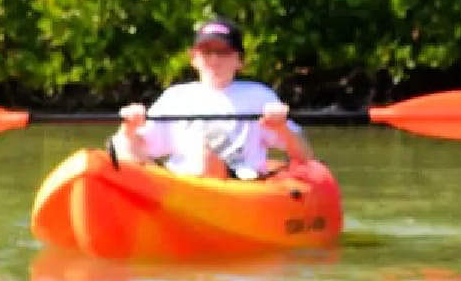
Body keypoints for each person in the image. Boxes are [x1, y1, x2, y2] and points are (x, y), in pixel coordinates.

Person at [110, 17, 314, 179]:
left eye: (223, 52)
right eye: (207, 52)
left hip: (237, 182)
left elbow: (305, 156)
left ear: (240, 61)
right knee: (120, 143)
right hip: (179, 184)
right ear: (194, 59)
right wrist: (129, 127)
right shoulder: (176, 97)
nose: (215, 60)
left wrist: (281, 127)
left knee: (202, 155)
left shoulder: (258, 95)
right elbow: (138, 146)